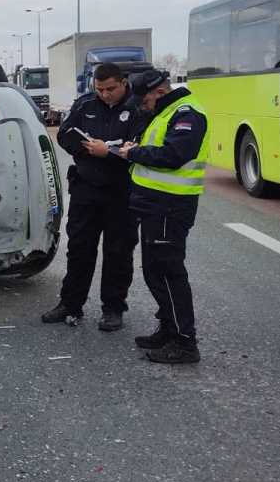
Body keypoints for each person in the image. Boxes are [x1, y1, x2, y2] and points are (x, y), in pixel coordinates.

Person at [113, 69, 209, 364]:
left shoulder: (186, 113)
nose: (143, 107)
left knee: (169, 272)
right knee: (154, 272)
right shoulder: (165, 112)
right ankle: (168, 329)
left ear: (159, 92)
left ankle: (184, 342)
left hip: (170, 206)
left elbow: (173, 155)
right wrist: (137, 148)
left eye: (144, 102)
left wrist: (134, 154)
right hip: (154, 205)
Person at [42, 63, 139, 331]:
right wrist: (87, 149)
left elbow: (140, 146)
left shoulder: (137, 107)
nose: (105, 94)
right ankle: (70, 304)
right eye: (100, 89)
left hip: (122, 192)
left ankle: (113, 308)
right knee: (79, 249)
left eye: (111, 89)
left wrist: (108, 152)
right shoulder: (85, 104)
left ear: (123, 83)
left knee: (118, 253)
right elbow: (65, 135)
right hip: (86, 189)